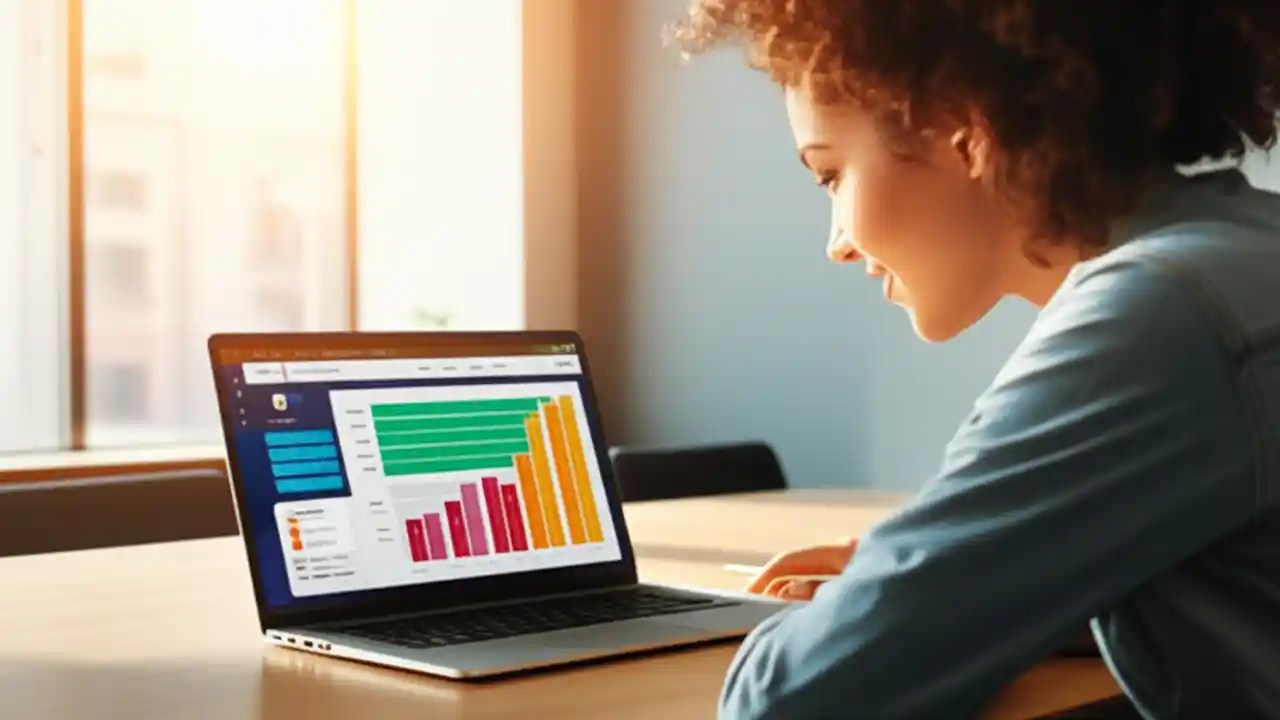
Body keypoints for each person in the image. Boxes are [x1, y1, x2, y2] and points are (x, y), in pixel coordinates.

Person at [671, 1, 1280, 718]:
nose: (836, 244)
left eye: (830, 174)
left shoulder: (1159, 316)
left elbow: (787, 702)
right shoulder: (1244, 253)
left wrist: (883, 602)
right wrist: (971, 581)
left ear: (963, 128)